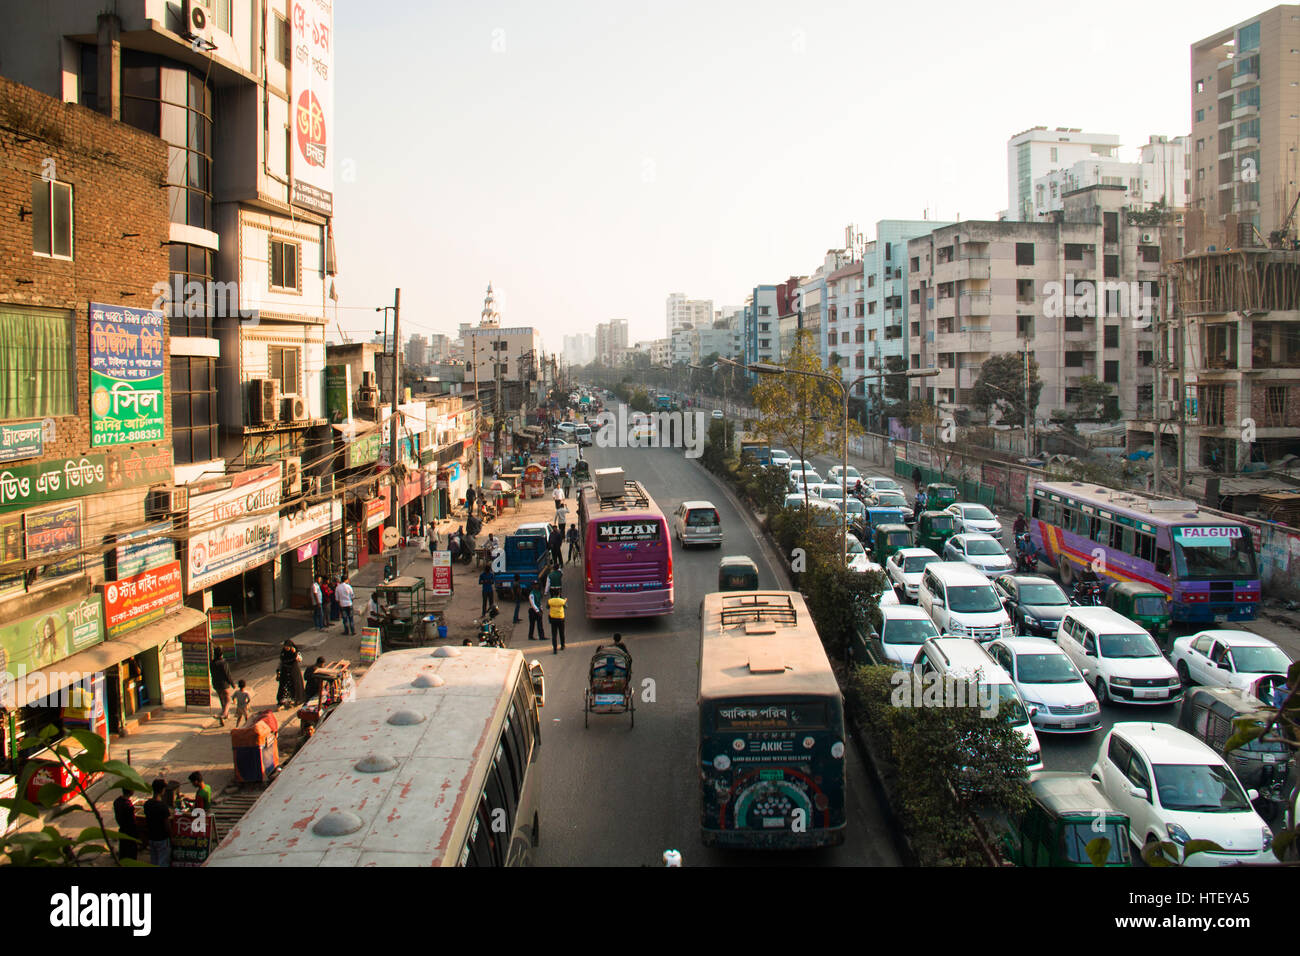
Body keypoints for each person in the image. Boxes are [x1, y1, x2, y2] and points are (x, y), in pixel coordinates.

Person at [142, 778, 171, 867]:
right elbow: (167, 825)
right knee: (163, 862)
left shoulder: (147, 804)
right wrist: (171, 836)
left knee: (154, 861)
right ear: (162, 790)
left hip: (151, 837)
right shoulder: (163, 807)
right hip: (162, 839)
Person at [112, 787, 140, 861]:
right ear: (131, 791)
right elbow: (132, 822)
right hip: (130, 833)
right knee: (131, 855)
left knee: (123, 853)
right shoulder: (128, 806)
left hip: (122, 830)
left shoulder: (117, 801)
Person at [210, 647, 235, 727]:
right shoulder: (223, 663)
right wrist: (232, 684)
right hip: (224, 684)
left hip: (216, 684)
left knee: (222, 699)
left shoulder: (212, 663)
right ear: (221, 654)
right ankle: (224, 714)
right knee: (228, 699)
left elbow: (212, 673)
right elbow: (227, 675)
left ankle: (225, 714)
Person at [277, 639, 305, 707]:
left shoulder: (295, 652)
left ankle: (295, 700)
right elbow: (281, 662)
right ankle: (283, 701)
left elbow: (300, 659)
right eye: (285, 646)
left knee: (295, 685)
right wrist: (278, 671)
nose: (286, 648)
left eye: (288, 646)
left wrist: (295, 653)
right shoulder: (283, 653)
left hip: (294, 672)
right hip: (285, 672)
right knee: (284, 686)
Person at [547, 589, 567, 654]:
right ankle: (562, 645)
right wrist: (565, 601)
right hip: (561, 618)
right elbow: (566, 606)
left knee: (554, 634)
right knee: (561, 632)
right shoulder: (562, 601)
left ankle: (555, 649)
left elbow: (547, 607)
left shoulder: (550, 601)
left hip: (553, 619)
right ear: (559, 594)